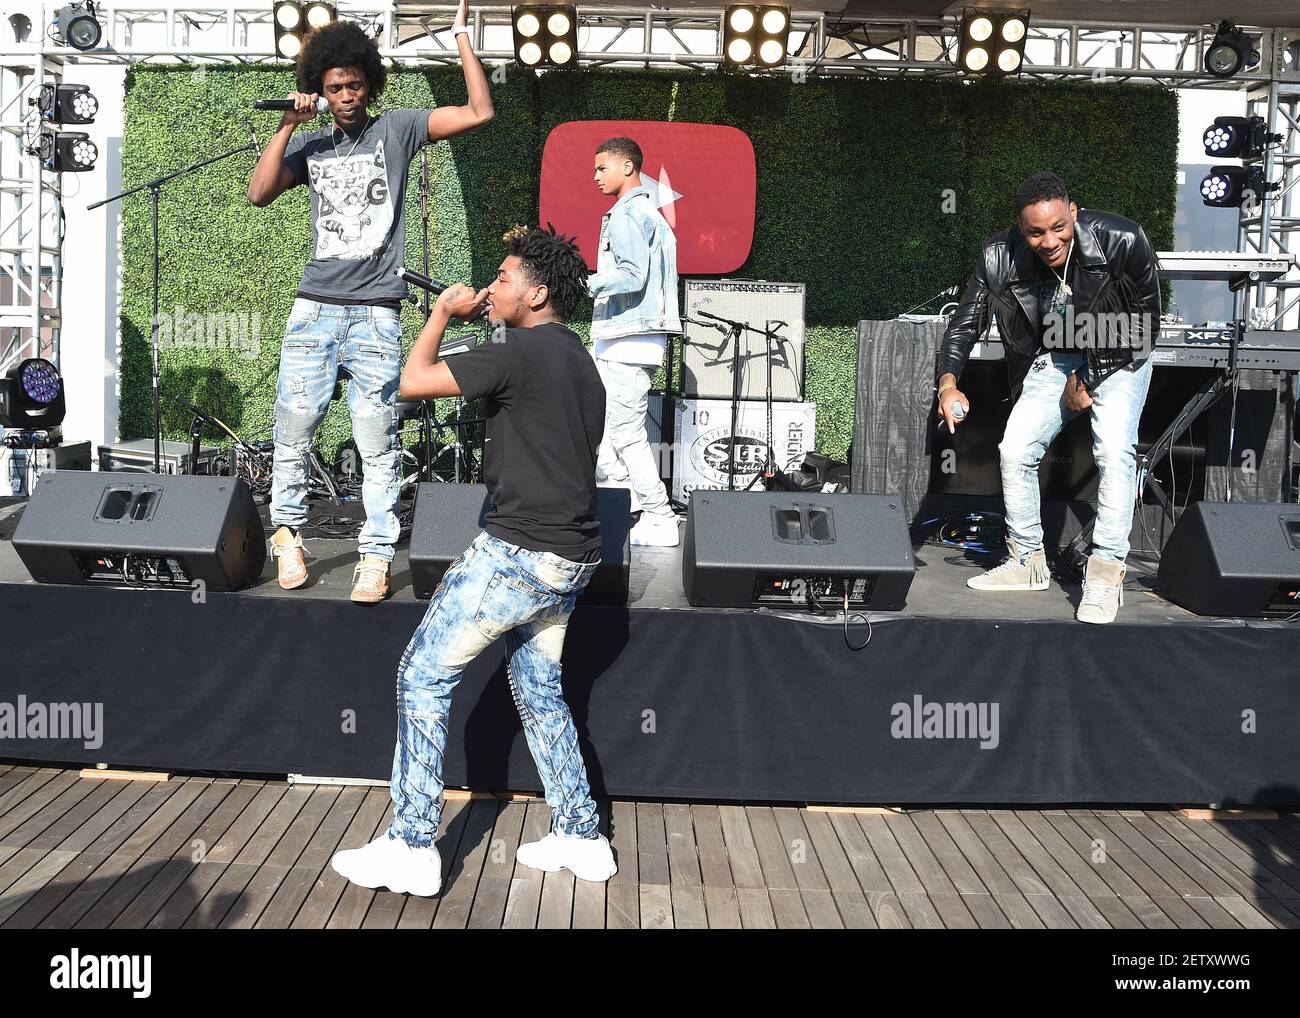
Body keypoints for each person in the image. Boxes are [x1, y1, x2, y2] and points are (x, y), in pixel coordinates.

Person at [330, 226, 616, 896]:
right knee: (539, 692)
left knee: (421, 676)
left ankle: (411, 846)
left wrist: (439, 313)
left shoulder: (515, 352)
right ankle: (581, 834)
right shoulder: (581, 361)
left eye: (505, 279)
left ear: (537, 295)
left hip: (519, 554)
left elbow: (411, 382)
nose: (492, 288)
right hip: (573, 558)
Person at [247, 3, 493, 603]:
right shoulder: (311, 145)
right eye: (334, 88)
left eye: (354, 85)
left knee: (378, 441)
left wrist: (461, 37)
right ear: (319, 88)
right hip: (314, 309)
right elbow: (258, 193)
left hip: (378, 313)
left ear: (369, 82)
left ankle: (377, 556)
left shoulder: (398, 129)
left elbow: (480, 111)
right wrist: (286, 126)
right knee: (293, 430)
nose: (346, 96)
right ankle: (287, 536)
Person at [937, 172, 1161, 624]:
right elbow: (965, 321)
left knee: (1114, 450)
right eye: (1036, 232)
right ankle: (1027, 561)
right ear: (1021, 228)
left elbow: (1146, 323)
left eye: (1058, 227)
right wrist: (948, 383)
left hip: (1120, 351)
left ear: (1073, 212)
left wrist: (1087, 378)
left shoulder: (1122, 240)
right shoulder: (998, 255)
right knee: (1014, 449)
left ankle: (1105, 573)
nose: (1050, 241)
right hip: (1055, 354)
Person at [588, 136, 683, 547]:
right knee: (609, 432)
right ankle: (621, 503)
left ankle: (659, 515)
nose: (596, 177)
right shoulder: (647, 213)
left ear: (628, 167)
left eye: (602, 168)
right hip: (628, 336)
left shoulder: (629, 214)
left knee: (625, 434)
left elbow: (631, 274)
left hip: (626, 336)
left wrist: (584, 283)